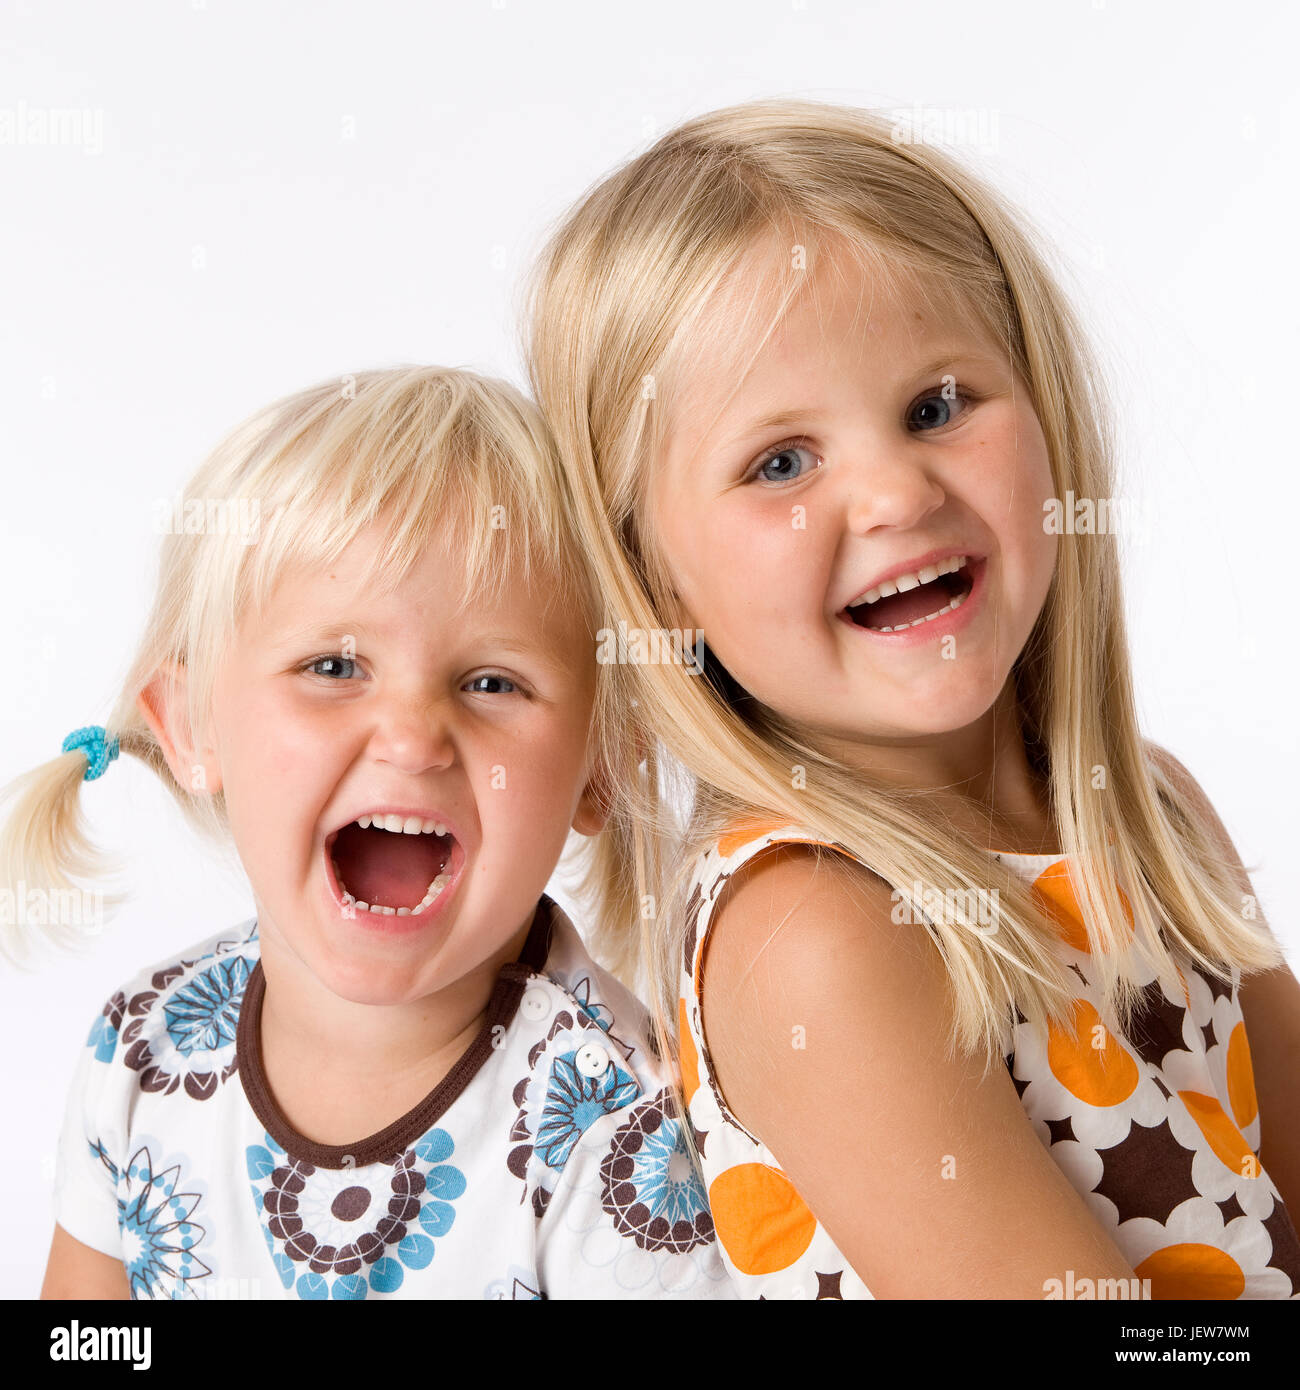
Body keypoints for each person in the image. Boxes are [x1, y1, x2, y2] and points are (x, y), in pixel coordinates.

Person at [523, 98, 1300, 1299]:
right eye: (780, 462)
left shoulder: (1148, 807)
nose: (891, 492)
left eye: (937, 407)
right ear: (654, 577)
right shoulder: (816, 932)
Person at [9, 366, 730, 1300]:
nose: (412, 736)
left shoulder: (614, 1130)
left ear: (600, 766)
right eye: (335, 665)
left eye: (493, 682)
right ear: (191, 727)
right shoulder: (142, 1049)